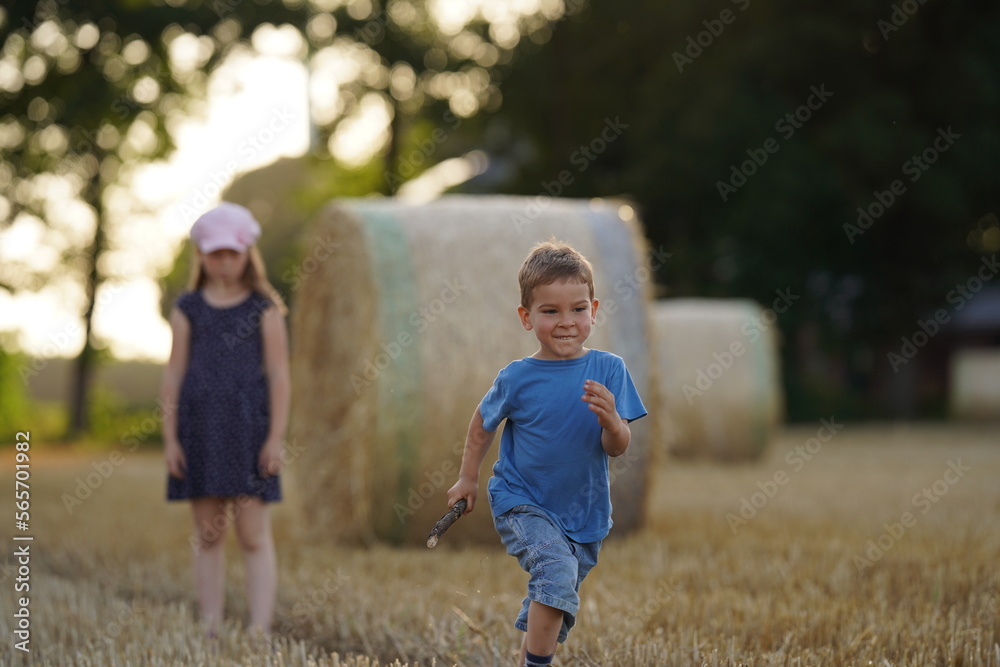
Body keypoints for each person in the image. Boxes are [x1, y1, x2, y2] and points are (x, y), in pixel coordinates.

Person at [446, 239, 647, 667]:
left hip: (585, 512)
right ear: (526, 317)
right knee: (555, 573)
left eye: (577, 309)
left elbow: (618, 447)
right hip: (523, 502)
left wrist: (613, 421)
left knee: (554, 594)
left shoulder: (610, 369)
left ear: (594, 309)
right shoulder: (517, 378)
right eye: (550, 311)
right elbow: (482, 426)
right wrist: (467, 478)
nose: (566, 322)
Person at [160, 202, 291, 637]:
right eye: (215, 254)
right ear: (202, 255)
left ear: (246, 253)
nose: (224, 263)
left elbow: (278, 375)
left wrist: (275, 437)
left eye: (231, 254)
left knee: (253, 534)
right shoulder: (187, 309)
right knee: (209, 534)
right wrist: (170, 439)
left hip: (249, 433)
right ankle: (210, 623)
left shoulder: (264, 308)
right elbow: (174, 373)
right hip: (198, 432)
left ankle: (258, 626)